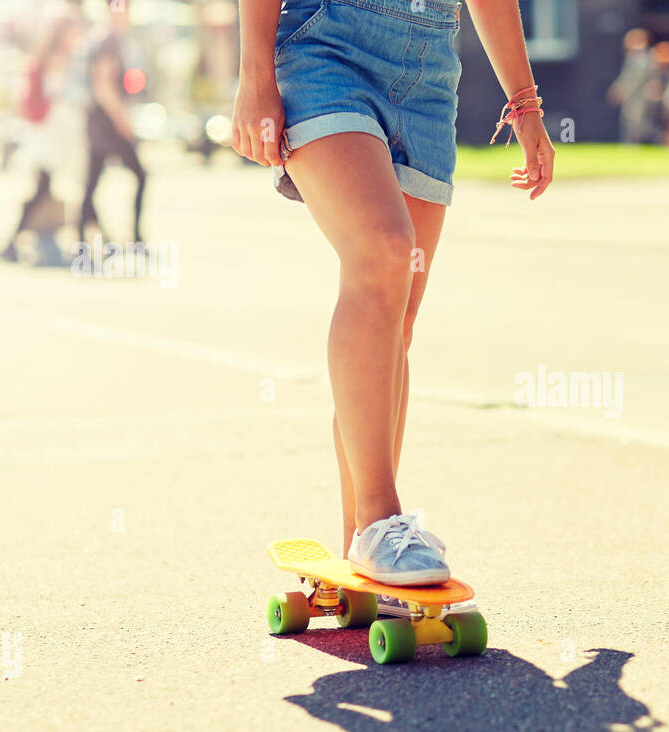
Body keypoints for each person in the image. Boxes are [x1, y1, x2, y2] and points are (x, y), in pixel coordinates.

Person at [232, 0, 554, 584]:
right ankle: (383, 518)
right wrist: (254, 78)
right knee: (383, 249)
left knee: (397, 316)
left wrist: (525, 104)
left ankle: (363, 542)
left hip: (430, 71)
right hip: (327, 47)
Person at [1, 13, 81, 263]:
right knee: (43, 188)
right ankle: (12, 242)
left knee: (45, 188)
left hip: (56, 133)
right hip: (48, 135)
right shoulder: (53, 61)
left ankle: (15, 242)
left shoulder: (59, 59)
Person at [78, 2, 145, 244]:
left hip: (95, 119)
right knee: (141, 175)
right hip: (106, 120)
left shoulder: (100, 37)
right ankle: (136, 237)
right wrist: (123, 122)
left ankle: (82, 239)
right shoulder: (109, 40)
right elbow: (104, 86)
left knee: (92, 181)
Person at [607, 28, 653, 144]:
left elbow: (634, 80)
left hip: (638, 98)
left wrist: (622, 92)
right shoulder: (635, 58)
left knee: (636, 124)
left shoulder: (640, 59)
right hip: (633, 98)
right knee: (631, 123)